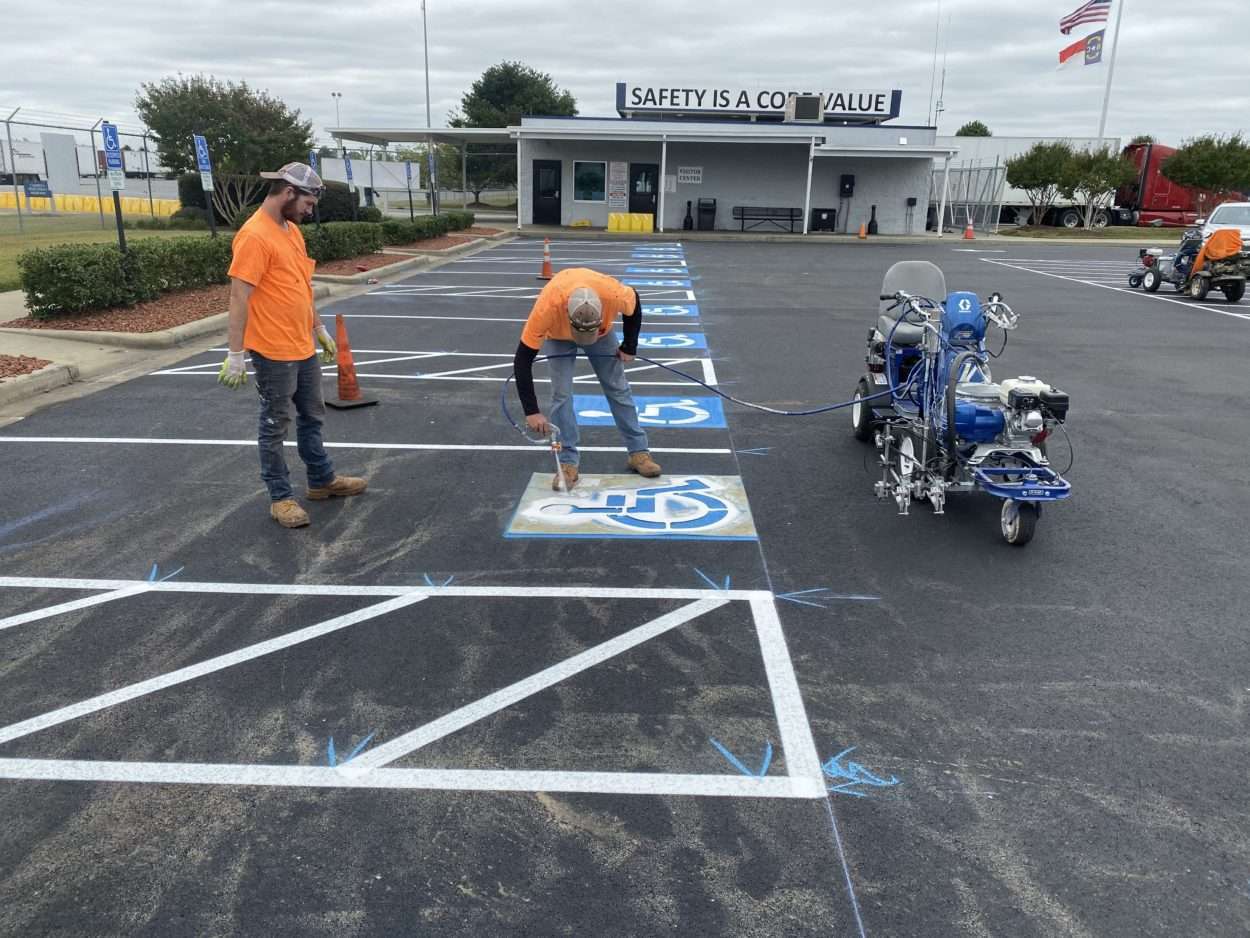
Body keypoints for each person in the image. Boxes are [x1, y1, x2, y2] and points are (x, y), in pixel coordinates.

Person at [217, 162, 367, 528]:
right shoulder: (255, 236)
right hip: (272, 350)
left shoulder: (291, 232)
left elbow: (302, 285)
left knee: (313, 416)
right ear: (288, 193)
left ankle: (321, 480)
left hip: (301, 345)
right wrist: (235, 352)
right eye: (308, 203)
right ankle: (280, 497)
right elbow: (240, 297)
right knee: (274, 424)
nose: (309, 210)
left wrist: (319, 329)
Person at [513, 268, 662, 491]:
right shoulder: (548, 306)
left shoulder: (613, 294)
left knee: (618, 388)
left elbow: (635, 302)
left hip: (602, 335)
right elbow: (522, 360)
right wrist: (531, 411)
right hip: (558, 336)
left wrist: (630, 344)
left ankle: (639, 453)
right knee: (561, 395)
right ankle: (567, 464)